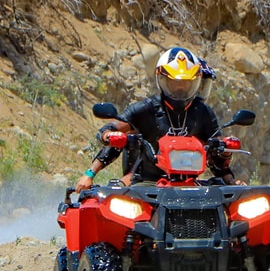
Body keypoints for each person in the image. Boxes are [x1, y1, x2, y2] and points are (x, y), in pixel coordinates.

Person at [75, 46, 245, 192]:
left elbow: (216, 155)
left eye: (185, 83)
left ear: (196, 82)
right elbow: (111, 129)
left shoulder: (203, 112)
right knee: (113, 200)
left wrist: (231, 179)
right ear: (162, 80)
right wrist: (90, 171)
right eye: (174, 82)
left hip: (189, 184)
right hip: (145, 182)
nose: (180, 88)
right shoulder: (145, 108)